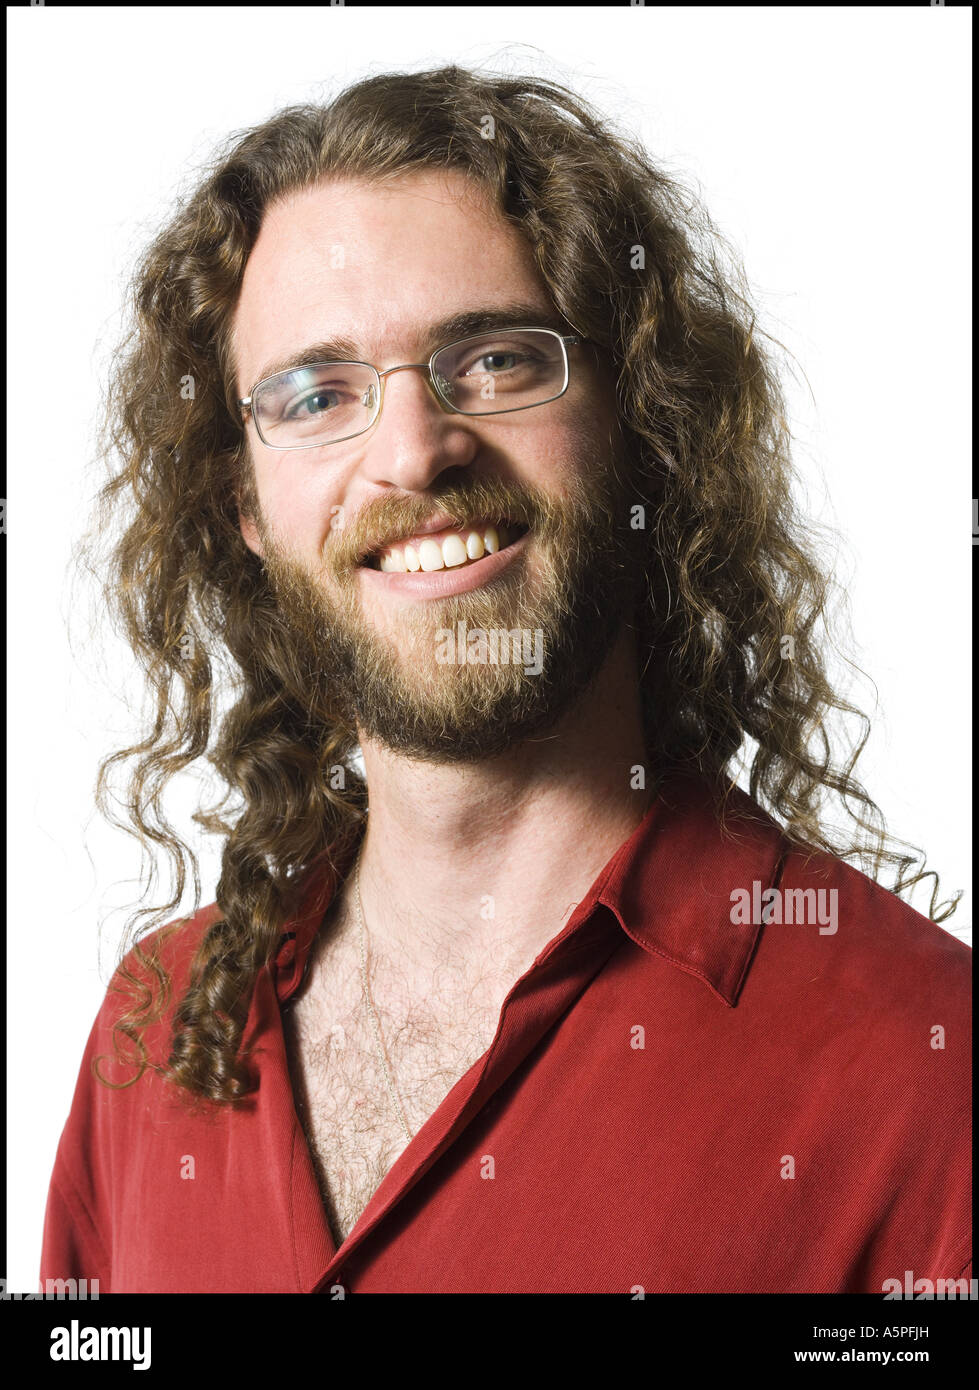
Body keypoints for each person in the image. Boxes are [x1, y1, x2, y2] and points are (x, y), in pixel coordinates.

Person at [40, 64, 970, 1294]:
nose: (415, 452)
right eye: (319, 394)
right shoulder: (152, 1033)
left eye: (493, 362)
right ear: (244, 506)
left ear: (639, 421)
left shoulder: (920, 1069)